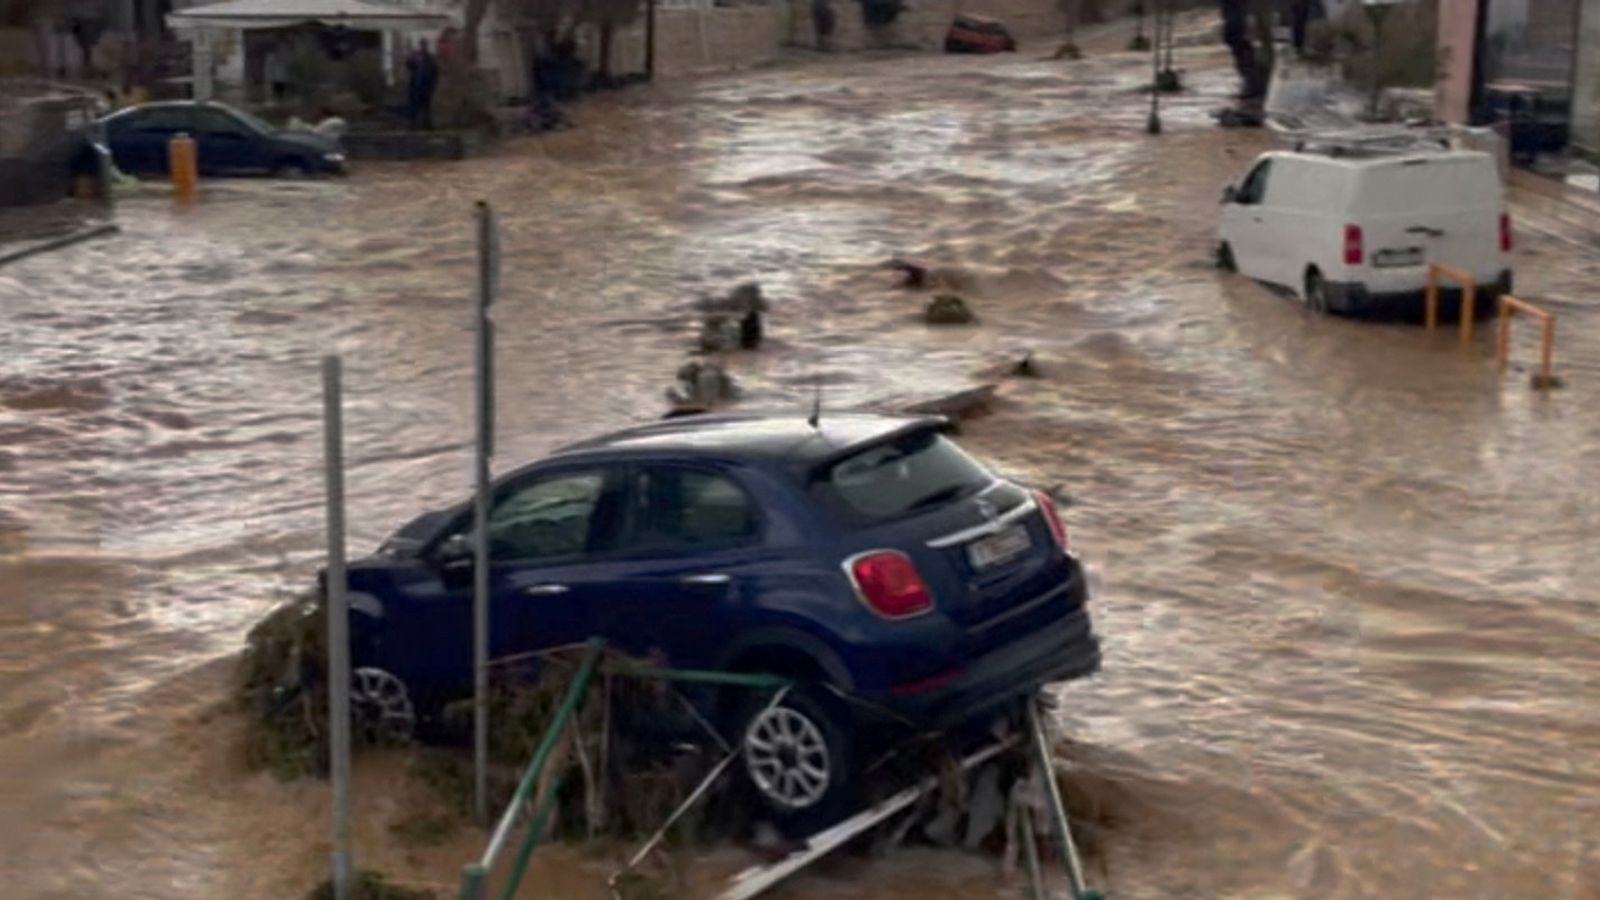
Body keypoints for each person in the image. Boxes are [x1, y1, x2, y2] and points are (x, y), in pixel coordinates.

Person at [406, 39, 439, 131]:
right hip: (416, 86)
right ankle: (413, 125)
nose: (423, 47)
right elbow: (409, 65)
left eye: (424, 45)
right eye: (422, 45)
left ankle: (427, 124)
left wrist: (432, 85)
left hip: (425, 86)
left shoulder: (430, 58)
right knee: (414, 107)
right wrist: (412, 59)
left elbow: (435, 71)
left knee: (426, 107)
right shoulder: (416, 56)